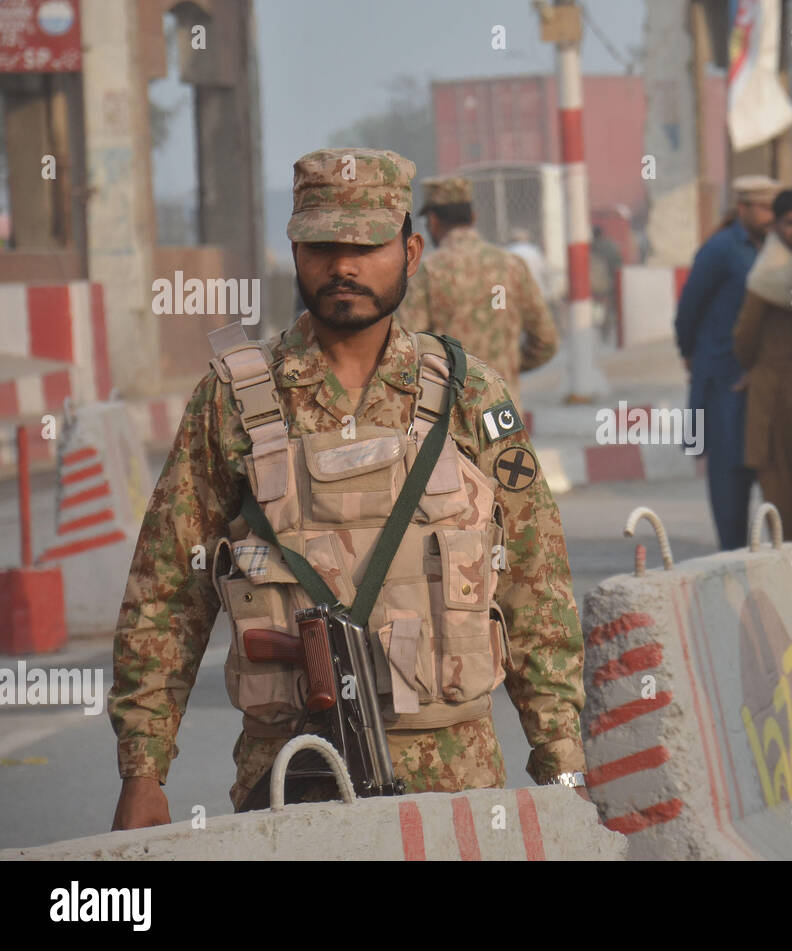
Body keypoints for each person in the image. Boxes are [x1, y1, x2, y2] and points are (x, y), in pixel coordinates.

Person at [108, 149, 587, 828]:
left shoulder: (469, 394)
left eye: (366, 245)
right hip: (291, 785)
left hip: (457, 792)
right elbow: (165, 592)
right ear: (295, 250)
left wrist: (561, 760)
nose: (344, 266)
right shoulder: (234, 400)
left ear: (411, 250)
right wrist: (142, 770)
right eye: (322, 244)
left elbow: (537, 585)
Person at [675, 174, 780, 550]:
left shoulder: (776, 247)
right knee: (729, 473)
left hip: (764, 379)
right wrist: (690, 355)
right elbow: (688, 310)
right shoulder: (720, 249)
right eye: (764, 208)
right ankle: (732, 554)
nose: (771, 216)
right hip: (723, 378)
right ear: (743, 209)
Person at [396, 177, 557, 397]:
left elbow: (408, 346)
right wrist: (508, 366)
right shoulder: (512, 266)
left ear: (432, 221)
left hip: (450, 414)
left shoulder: (428, 271)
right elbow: (546, 340)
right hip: (504, 411)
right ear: (473, 217)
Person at [732, 186, 792, 539]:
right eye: (791, 223)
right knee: (779, 484)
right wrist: (757, 368)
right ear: (776, 226)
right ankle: (787, 559)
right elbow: (745, 335)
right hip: (774, 395)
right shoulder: (769, 273)